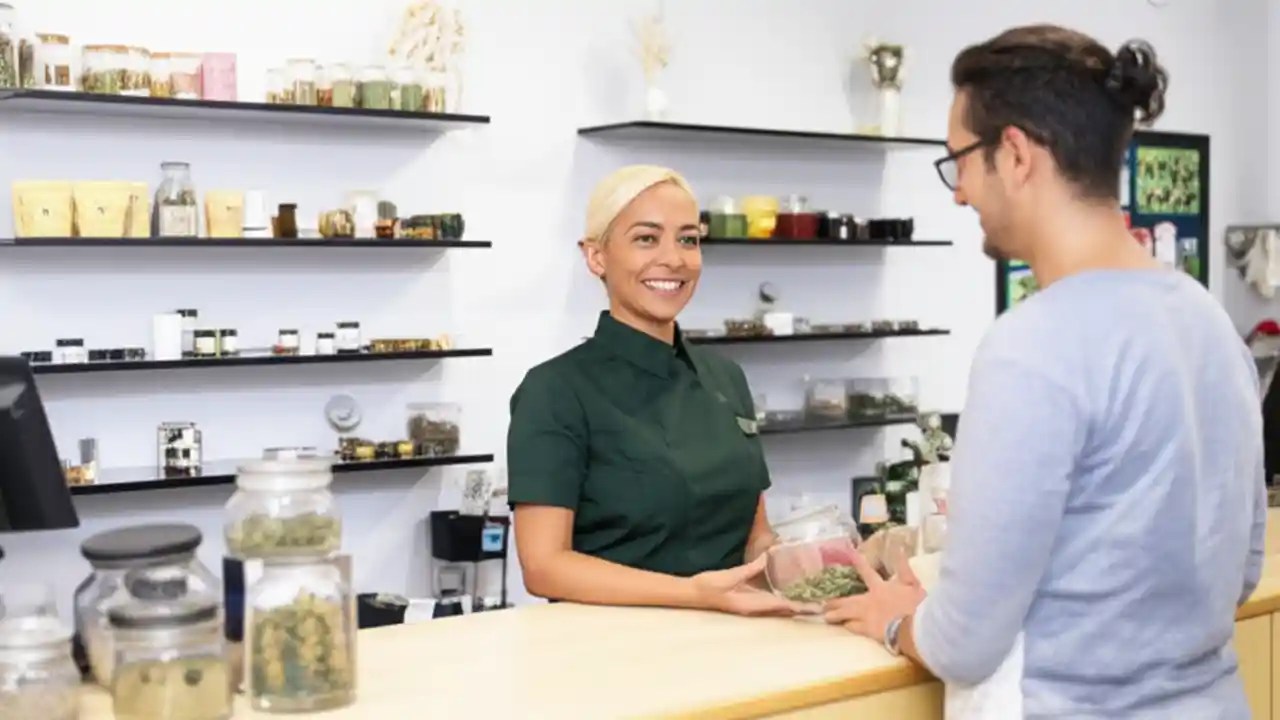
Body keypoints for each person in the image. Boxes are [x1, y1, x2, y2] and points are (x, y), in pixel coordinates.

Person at [825, 24, 1266, 718]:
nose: (958, 193)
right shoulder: (1212, 325)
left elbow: (966, 644)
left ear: (1017, 155)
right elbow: (1238, 572)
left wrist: (895, 619)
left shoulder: (1032, 347)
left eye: (959, 162)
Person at [506, 165, 809, 617]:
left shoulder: (726, 379)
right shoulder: (554, 391)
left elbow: (755, 539)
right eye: (647, 239)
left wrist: (816, 560)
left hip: (732, 639)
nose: (674, 258)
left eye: (688, 239)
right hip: (608, 651)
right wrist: (694, 594)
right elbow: (545, 566)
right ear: (596, 257)